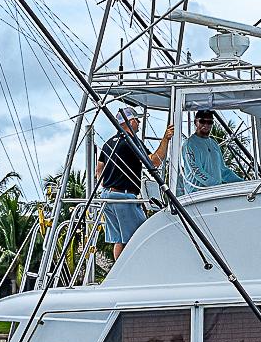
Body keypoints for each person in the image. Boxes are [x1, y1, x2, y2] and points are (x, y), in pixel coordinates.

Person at [96, 107, 159, 260]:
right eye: (137, 120)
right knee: (141, 235)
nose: (138, 123)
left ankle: (118, 273)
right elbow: (153, 162)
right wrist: (165, 139)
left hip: (107, 196)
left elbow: (99, 169)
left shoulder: (109, 142)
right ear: (130, 122)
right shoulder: (130, 141)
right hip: (122, 197)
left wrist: (108, 186)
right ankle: (136, 272)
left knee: (119, 239)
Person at [165, 108, 242, 190]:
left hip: (214, 193)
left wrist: (242, 182)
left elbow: (223, 171)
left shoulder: (214, 144)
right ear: (196, 122)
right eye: (202, 121)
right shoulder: (189, 144)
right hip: (197, 195)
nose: (206, 125)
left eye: (209, 122)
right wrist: (216, 185)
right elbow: (196, 171)